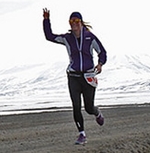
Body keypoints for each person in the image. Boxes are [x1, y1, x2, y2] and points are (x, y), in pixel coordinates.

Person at [43, 8, 107, 145]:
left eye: (77, 21)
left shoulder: (90, 37)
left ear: (81, 23)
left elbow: (102, 52)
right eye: (72, 21)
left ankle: (97, 113)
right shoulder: (67, 38)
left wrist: (100, 64)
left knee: (89, 108)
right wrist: (46, 20)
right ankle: (81, 134)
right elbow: (49, 36)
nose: (74, 24)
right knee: (76, 106)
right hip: (73, 77)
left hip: (88, 76)